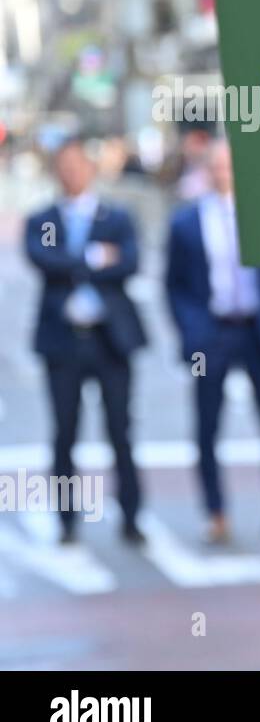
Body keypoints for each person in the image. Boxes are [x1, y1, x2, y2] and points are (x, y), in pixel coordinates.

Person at [165, 139, 260, 544]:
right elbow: (175, 285)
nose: (225, 173)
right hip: (214, 331)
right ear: (207, 171)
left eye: (231, 166)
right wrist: (193, 332)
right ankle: (216, 513)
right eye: (218, 166)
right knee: (207, 427)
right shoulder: (185, 223)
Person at [24, 137, 147, 544]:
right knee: (64, 432)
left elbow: (129, 262)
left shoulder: (117, 216)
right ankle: (66, 520)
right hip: (62, 341)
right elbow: (42, 259)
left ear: (90, 169)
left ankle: (131, 516)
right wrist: (94, 258)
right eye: (65, 166)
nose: (72, 173)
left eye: (79, 165)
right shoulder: (42, 220)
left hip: (110, 340)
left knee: (120, 430)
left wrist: (72, 264)